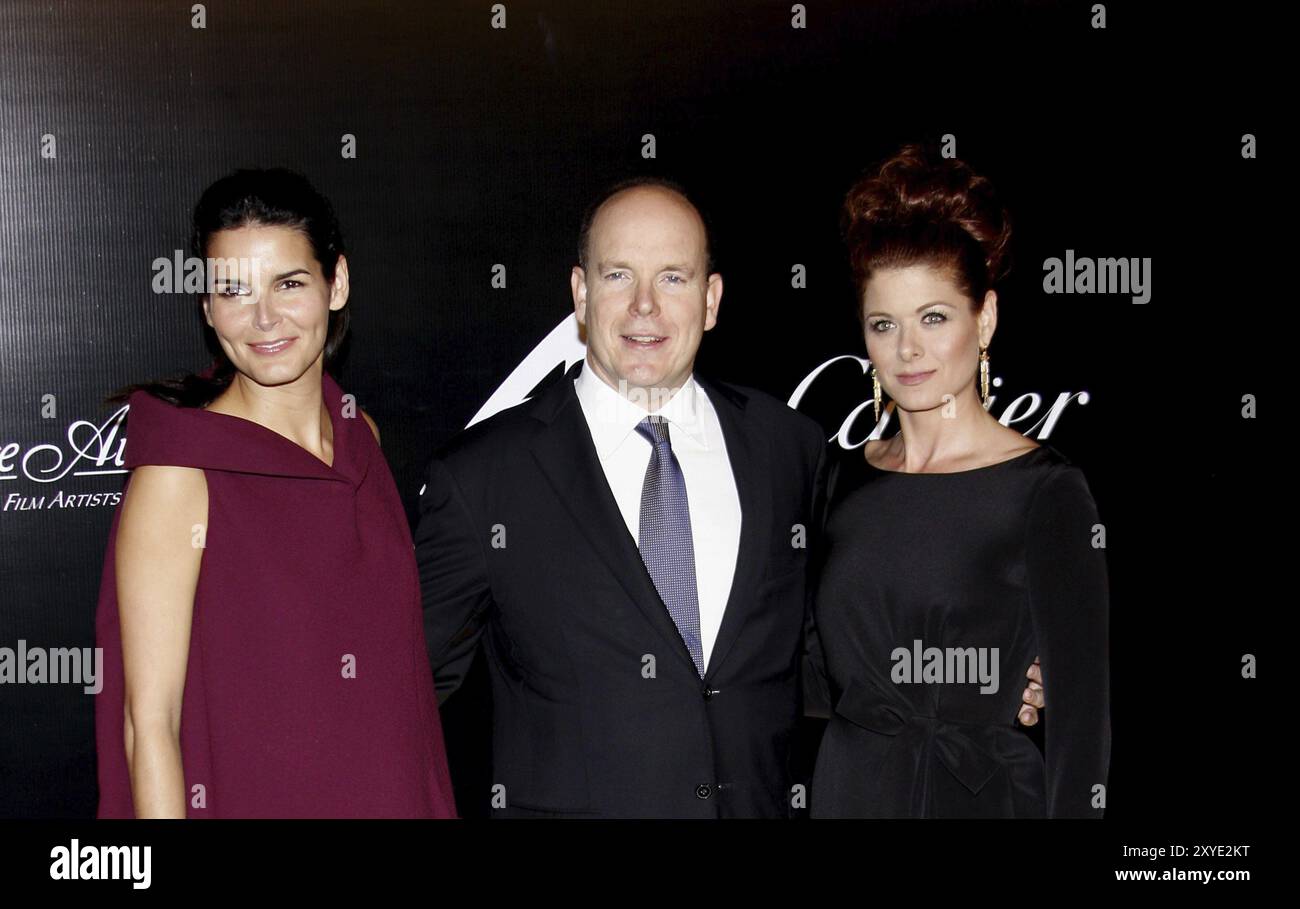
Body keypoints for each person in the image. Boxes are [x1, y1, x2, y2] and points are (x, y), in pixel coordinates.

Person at [415, 176, 1045, 817]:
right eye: (617, 277)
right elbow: (400, 689)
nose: (644, 307)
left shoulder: (788, 450)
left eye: (673, 278)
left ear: (711, 300)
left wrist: (978, 675)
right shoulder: (483, 478)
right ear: (580, 293)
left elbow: (835, 655)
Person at [94, 168, 457, 818]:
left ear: (335, 283)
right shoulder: (180, 474)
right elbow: (148, 723)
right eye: (233, 291)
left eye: (289, 283)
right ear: (207, 307)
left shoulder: (361, 437)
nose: (264, 318)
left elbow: (400, 694)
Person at [808, 145, 1110, 817]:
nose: (907, 349)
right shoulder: (840, 480)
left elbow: (1083, 732)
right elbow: (806, 672)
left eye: (934, 318)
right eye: (884, 324)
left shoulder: (1046, 490)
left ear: (987, 320)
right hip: (848, 793)